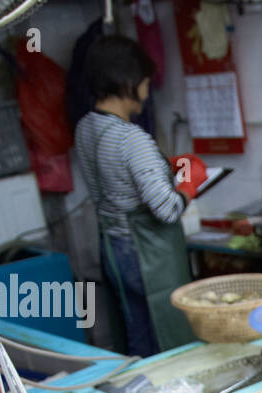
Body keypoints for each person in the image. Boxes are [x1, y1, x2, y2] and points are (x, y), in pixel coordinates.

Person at [75, 36, 203, 356]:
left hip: (113, 246)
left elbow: (119, 180)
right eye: (145, 81)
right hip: (147, 255)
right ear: (129, 81)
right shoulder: (131, 139)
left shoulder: (86, 128)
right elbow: (167, 209)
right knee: (167, 337)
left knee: (137, 333)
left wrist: (162, 169)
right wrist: (189, 182)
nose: (147, 89)